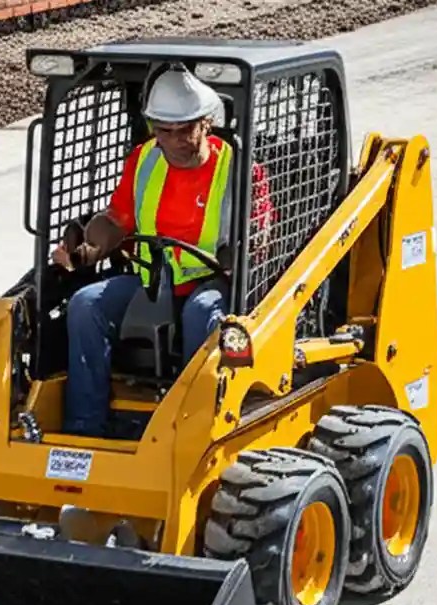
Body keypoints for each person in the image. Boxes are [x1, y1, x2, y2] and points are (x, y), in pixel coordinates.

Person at [52, 67, 276, 437]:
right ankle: (85, 428)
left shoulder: (240, 171)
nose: (172, 142)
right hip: (152, 280)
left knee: (201, 313)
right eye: (162, 131)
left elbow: (260, 237)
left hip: (213, 283)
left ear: (206, 123)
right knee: (84, 304)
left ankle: (192, 427)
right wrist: (89, 250)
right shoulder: (144, 159)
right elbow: (117, 217)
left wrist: (242, 256)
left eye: (183, 130)